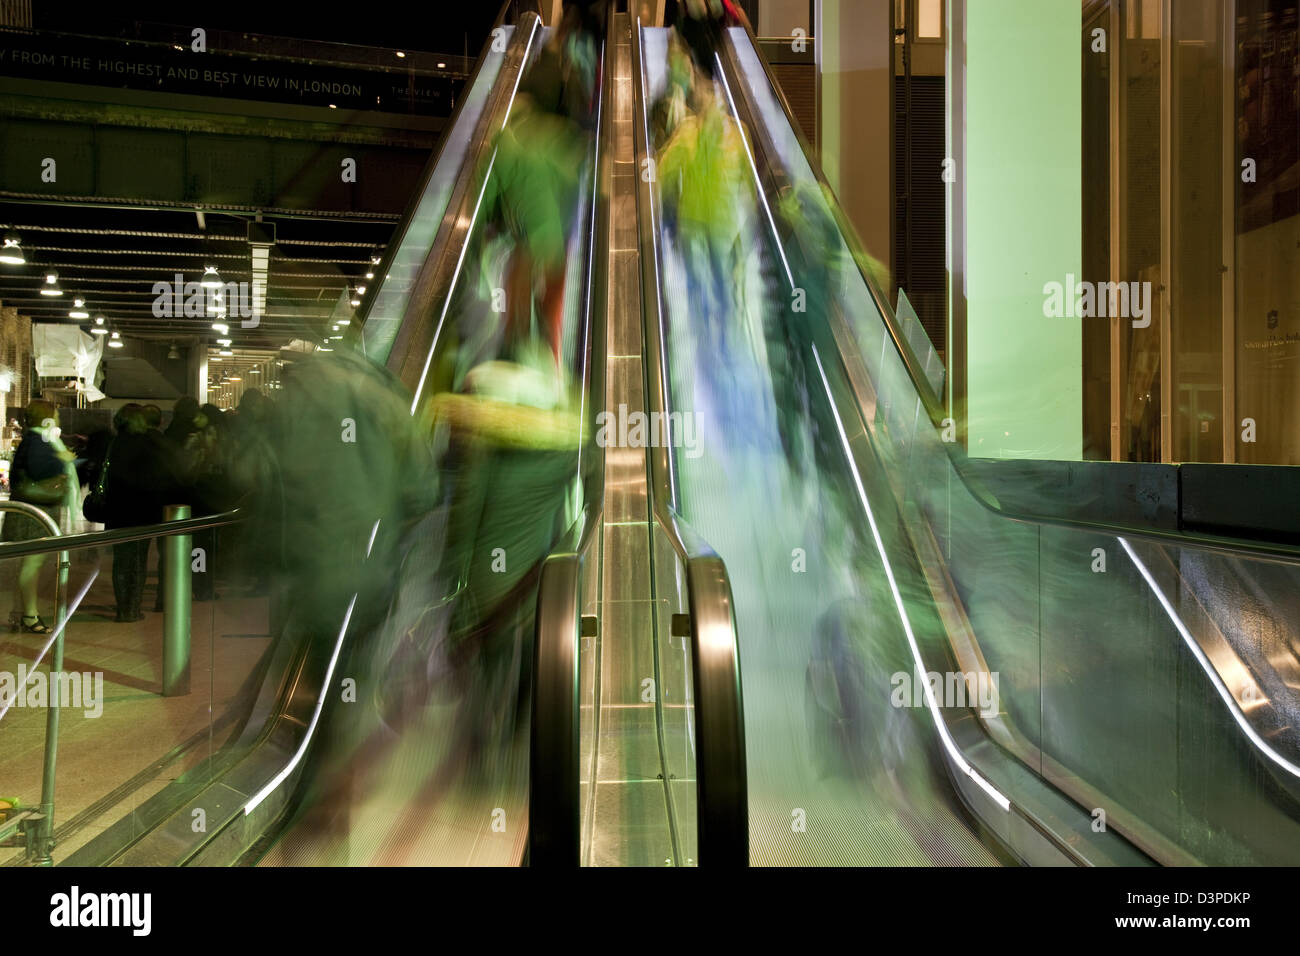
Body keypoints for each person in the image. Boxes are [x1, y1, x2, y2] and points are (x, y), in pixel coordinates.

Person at [103, 404, 183, 622]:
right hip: (140, 511)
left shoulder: (115, 443)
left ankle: (122, 608)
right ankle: (132, 609)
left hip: (117, 511)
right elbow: (153, 478)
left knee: (121, 561)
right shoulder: (145, 445)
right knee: (137, 561)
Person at [4, 401, 78, 634]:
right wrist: (63, 459)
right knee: (32, 564)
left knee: (29, 564)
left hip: (33, 511)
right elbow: (39, 469)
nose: (57, 419)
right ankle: (29, 616)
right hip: (35, 513)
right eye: (55, 415)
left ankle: (23, 612)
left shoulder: (34, 439)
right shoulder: (39, 441)